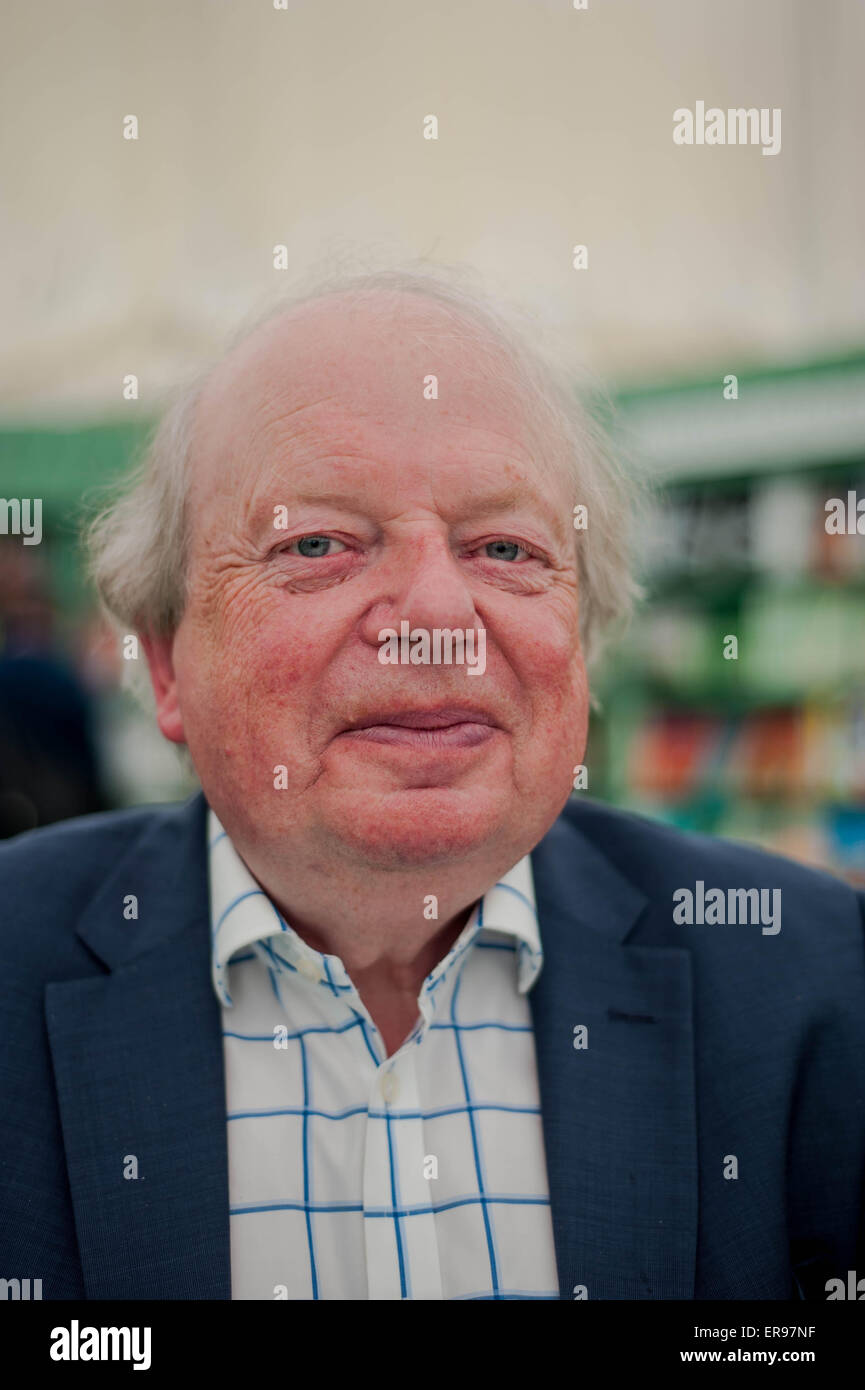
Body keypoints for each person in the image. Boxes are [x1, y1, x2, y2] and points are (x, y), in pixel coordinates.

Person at [1, 268, 863, 1300]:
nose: (434, 618)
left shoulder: (814, 991)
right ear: (168, 662)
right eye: (317, 544)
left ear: (583, 641)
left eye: (505, 547)